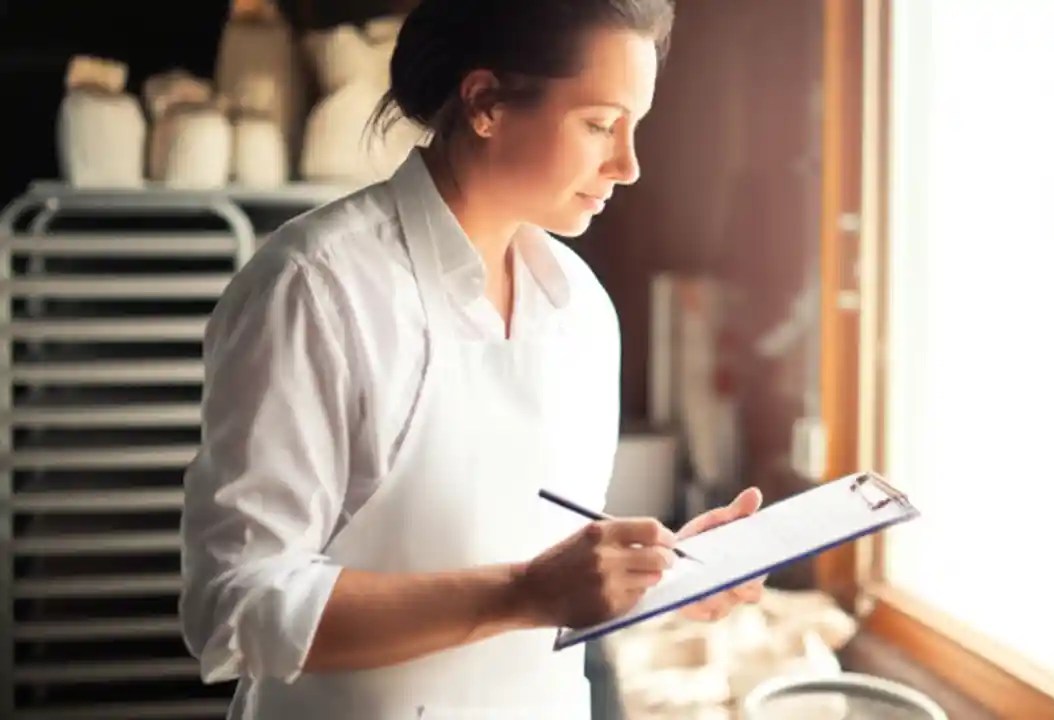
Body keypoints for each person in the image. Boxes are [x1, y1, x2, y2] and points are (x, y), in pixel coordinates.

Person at [179, 1, 766, 717]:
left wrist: (661, 572)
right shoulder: (315, 287)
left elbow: (533, 549)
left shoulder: (579, 307)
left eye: (634, 127)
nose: (629, 165)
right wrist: (524, 595)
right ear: (485, 102)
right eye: (599, 124)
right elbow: (234, 601)